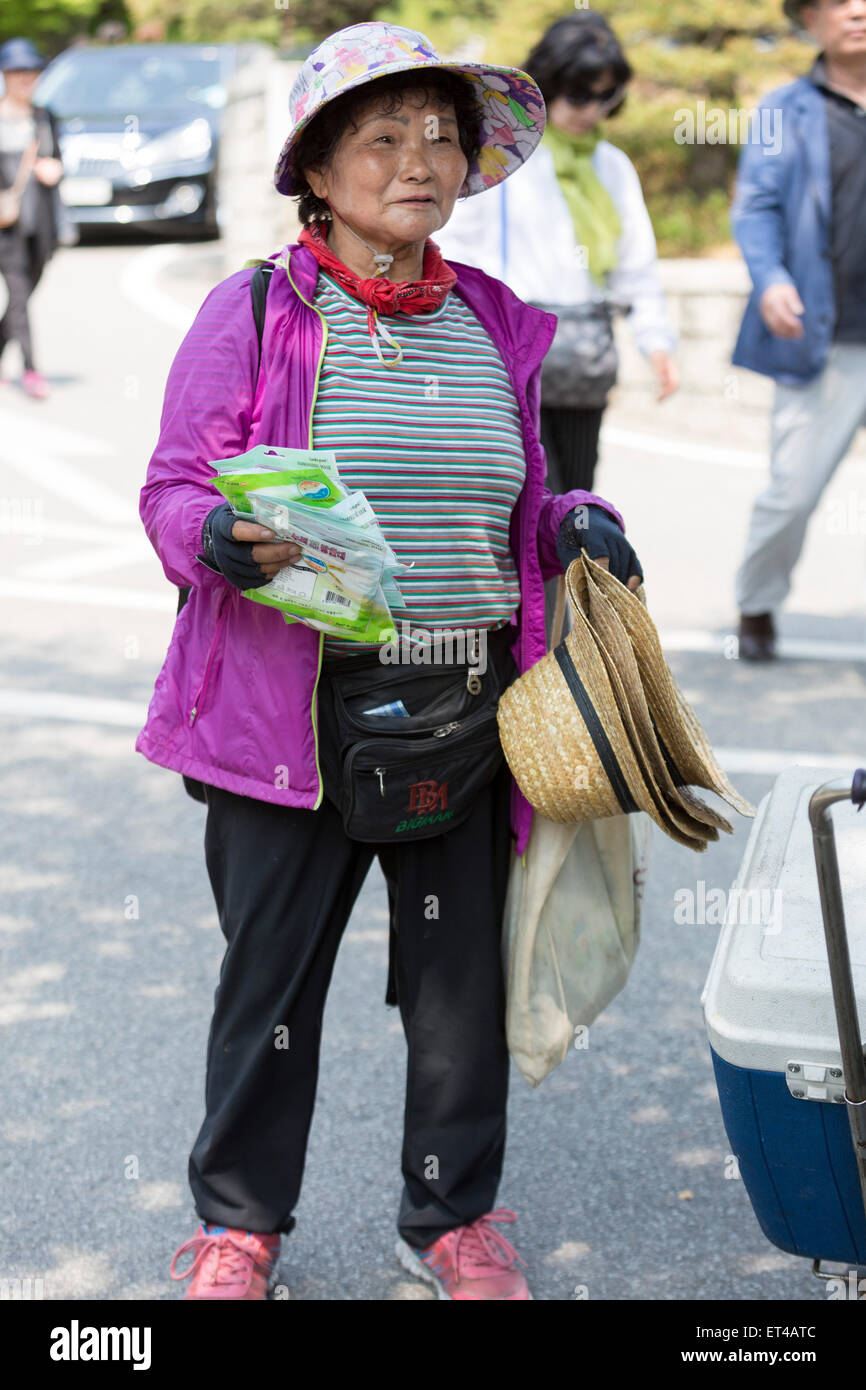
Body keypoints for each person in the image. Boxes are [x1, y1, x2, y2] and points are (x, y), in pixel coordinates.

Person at [135, 21, 644, 1302]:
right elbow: (172, 490)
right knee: (274, 990)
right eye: (382, 136)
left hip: (466, 704)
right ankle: (240, 1228)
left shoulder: (495, 321)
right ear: (316, 164)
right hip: (289, 717)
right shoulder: (253, 310)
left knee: (457, 986)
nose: (418, 160)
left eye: (439, 137)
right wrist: (217, 537)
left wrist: (576, 523)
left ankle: (450, 1220)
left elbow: (515, 505)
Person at [433, 10, 679, 499]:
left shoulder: (611, 165)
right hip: (513, 349)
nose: (591, 109)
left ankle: (575, 577)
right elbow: (461, 251)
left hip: (585, 353)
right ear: (548, 81)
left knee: (579, 499)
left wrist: (657, 340)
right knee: (531, 493)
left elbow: (635, 263)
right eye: (579, 92)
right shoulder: (506, 158)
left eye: (606, 95)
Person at [731, 0, 866, 660]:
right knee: (791, 493)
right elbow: (755, 208)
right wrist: (771, 277)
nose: (858, 9)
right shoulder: (785, 110)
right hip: (824, 336)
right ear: (807, 19)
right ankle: (757, 603)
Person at [0, 37, 63, 400]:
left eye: (32, 73)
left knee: (21, 297)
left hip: (38, 223)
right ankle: (30, 369)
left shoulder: (45, 117)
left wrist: (54, 168)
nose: (26, 80)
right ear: (6, 76)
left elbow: (59, 158)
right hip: (5, 228)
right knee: (19, 295)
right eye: (18, 73)